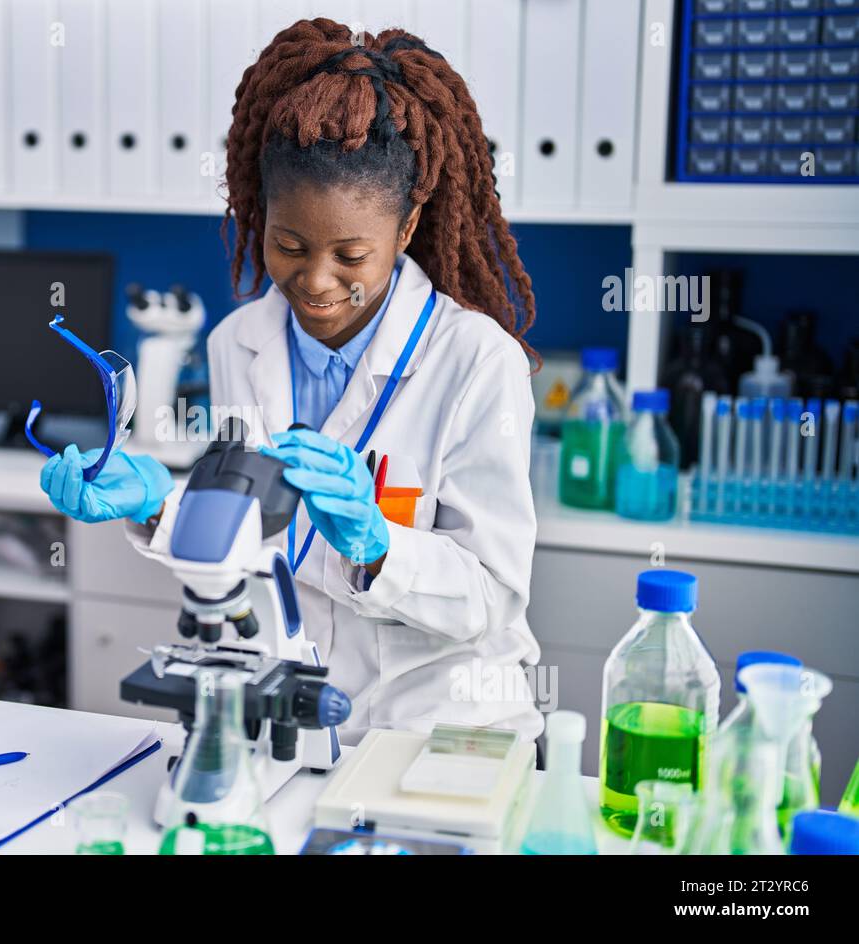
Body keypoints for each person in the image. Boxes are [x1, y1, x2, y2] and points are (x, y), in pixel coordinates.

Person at [40, 19, 543, 743]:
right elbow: (257, 538)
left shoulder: (474, 363)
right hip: (295, 714)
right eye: (289, 244)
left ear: (404, 233)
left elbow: (492, 596)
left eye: (351, 255)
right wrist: (160, 506)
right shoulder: (236, 343)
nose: (315, 280)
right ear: (259, 215)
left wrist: (379, 547)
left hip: (443, 724)